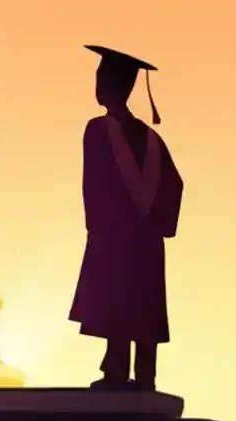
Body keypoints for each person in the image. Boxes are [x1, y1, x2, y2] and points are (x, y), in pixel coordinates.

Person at [69, 45, 184, 392]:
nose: (97, 85)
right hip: (146, 241)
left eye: (101, 78)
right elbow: (174, 183)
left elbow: (95, 183)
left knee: (118, 300)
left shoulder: (98, 130)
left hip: (115, 236)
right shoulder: (152, 139)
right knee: (143, 301)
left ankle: (117, 374)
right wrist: (157, 224)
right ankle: (145, 377)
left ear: (112, 86)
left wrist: (98, 227)